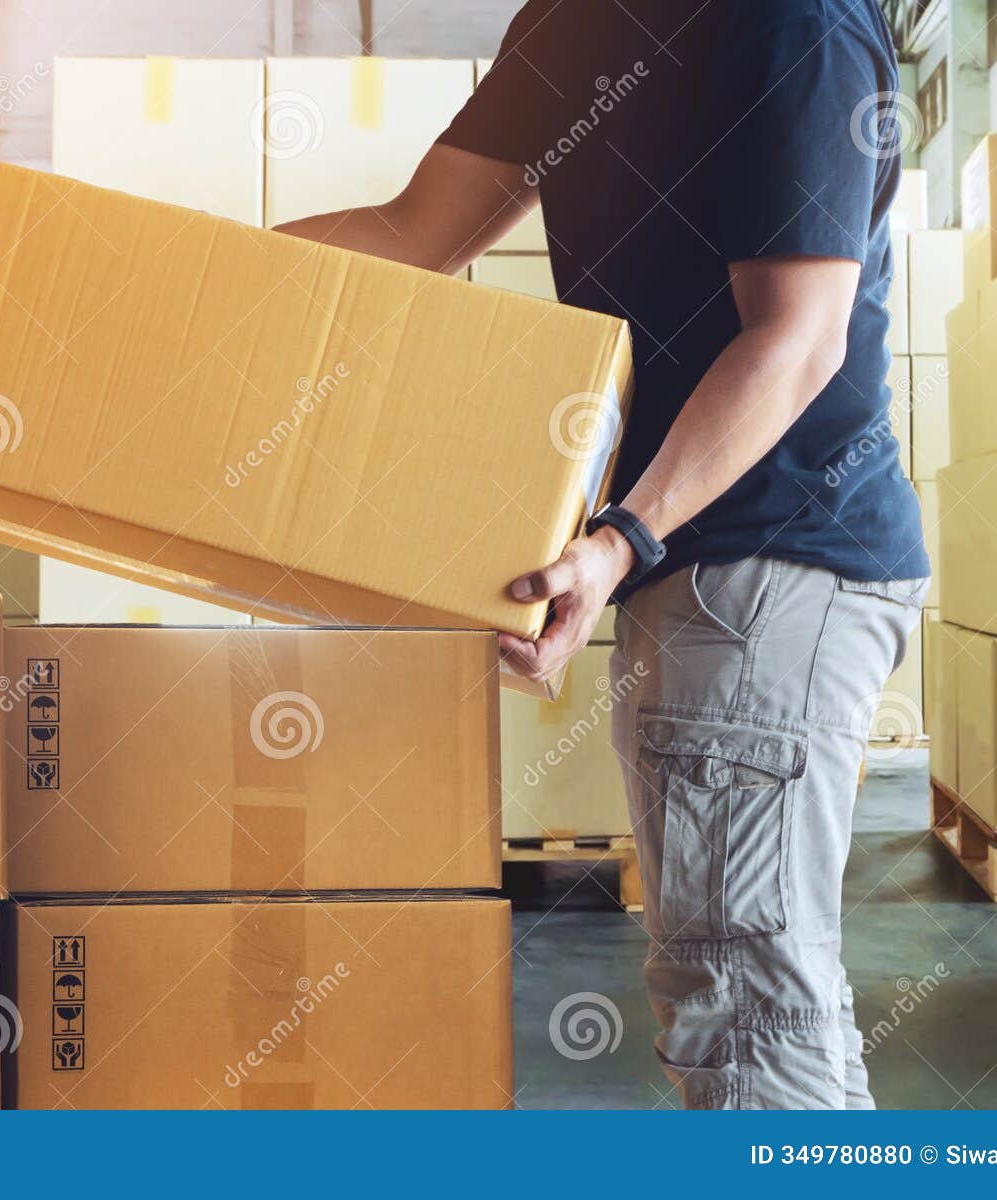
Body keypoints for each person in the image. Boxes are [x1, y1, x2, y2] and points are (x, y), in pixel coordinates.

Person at [276, 0, 928, 1109]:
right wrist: (171, 279)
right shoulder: (570, 19)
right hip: (690, 564)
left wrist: (620, 538)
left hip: (771, 561)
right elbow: (413, 234)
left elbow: (799, 335)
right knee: (746, 1004)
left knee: (745, 1013)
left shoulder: (791, 20)